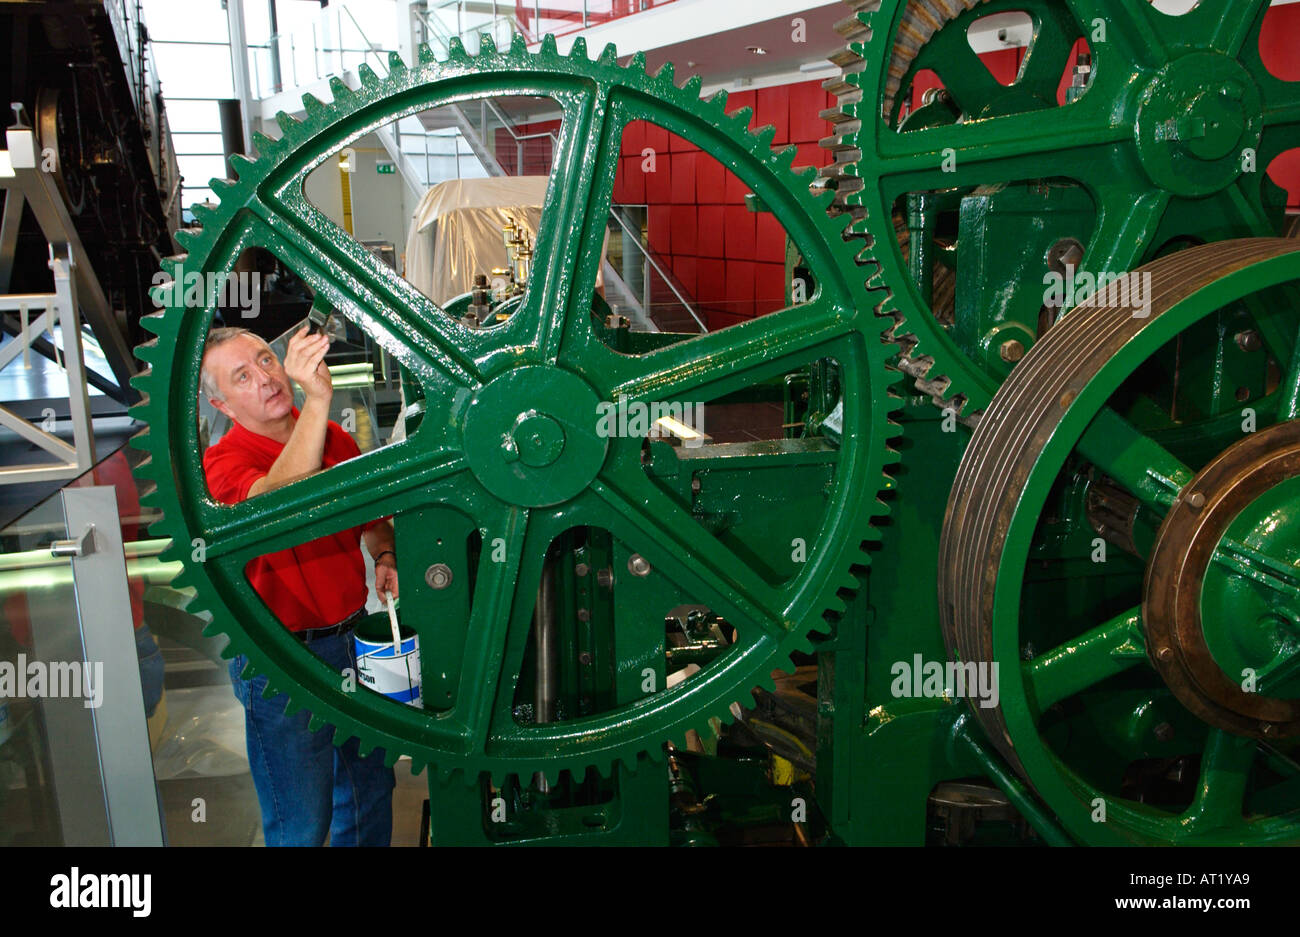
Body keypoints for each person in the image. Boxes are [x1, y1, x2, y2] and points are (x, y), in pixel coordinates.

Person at [199, 324, 398, 846]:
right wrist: (317, 401)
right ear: (221, 402)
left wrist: (385, 552)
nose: (264, 378)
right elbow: (275, 504)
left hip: (355, 645)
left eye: (266, 360)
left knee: (369, 795)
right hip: (280, 662)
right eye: (242, 376)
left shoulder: (336, 439)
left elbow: (372, 516)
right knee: (300, 821)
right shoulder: (222, 464)